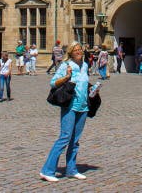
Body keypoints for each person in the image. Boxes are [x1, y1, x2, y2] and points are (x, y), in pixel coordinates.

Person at [39, 41, 90, 182]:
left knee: (75, 140)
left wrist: (91, 89)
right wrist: (66, 77)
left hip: (83, 106)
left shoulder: (85, 65)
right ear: (71, 53)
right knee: (65, 138)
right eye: (76, 50)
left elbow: (83, 83)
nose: (79, 52)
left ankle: (71, 170)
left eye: (80, 49)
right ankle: (47, 170)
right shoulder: (66, 65)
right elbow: (53, 83)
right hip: (70, 106)